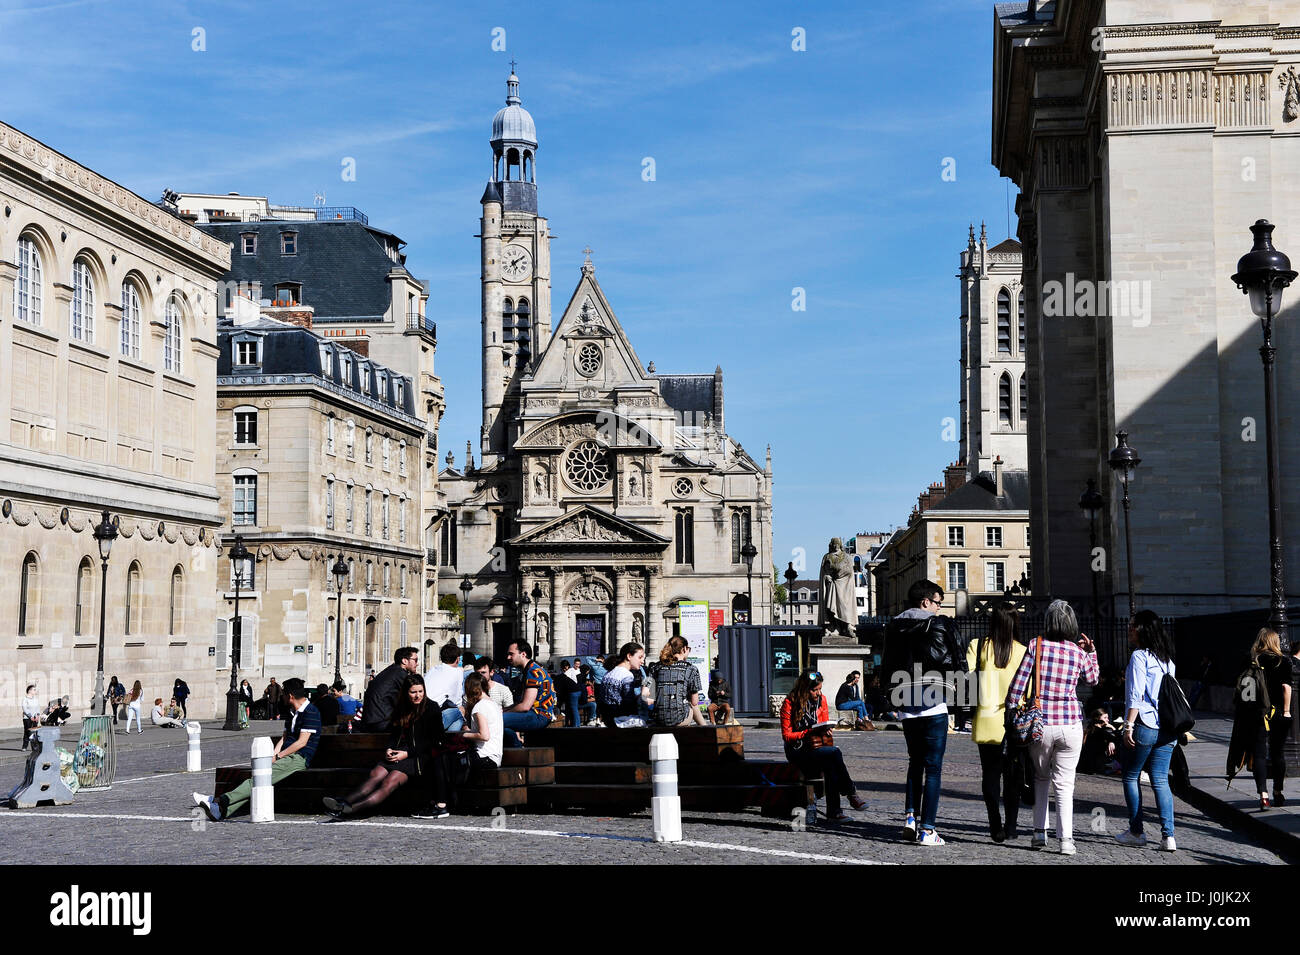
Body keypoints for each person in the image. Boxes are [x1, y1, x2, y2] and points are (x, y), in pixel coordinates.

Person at [1004, 599, 1098, 856]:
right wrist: (1091, 652)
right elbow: (1092, 679)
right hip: (1070, 724)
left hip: (1040, 723)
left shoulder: (1037, 645)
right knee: (1065, 784)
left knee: (1040, 777)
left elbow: (1018, 684)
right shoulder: (1078, 652)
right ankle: (1066, 840)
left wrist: (1011, 710)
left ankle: (1038, 832)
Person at [882, 579, 967, 846]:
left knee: (914, 763)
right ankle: (928, 829)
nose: (939, 608)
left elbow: (887, 664)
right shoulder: (939, 624)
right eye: (938, 603)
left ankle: (910, 816)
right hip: (934, 700)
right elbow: (953, 660)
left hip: (906, 702)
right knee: (933, 768)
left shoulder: (894, 626)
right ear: (926, 602)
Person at [194, 678, 321, 821]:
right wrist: (272, 756)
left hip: (298, 758)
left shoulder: (310, 712)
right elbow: (284, 738)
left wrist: (278, 756)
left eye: (284, 694)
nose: (282, 697)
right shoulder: (292, 712)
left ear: (290, 696)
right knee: (258, 778)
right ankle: (221, 811)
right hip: (286, 756)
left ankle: (218, 801)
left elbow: (301, 743)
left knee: (259, 779)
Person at [324, 673, 448, 818]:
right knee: (375, 775)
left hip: (417, 756)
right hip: (399, 751)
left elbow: (435, 740)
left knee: (390, 781)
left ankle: (353, 809)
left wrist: (407, 754)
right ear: (406, 692)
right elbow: (394, 734)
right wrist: (389, 748)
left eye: (420, 691)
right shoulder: (401, 707)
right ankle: (343, 803)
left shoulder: (431, 708)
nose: (417, 696)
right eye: (413, 692)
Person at [1115, 610, 1179, 851]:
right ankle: (1168, 836)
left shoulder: (1139, 657)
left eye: (1133, 626)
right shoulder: (1167, 660)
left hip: (1145, 724)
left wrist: (1128, 726)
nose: (1129, 629)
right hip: (1167, 727)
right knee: (1161, 780)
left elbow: (1136, 695)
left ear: (1142, 630)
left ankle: (1136, 831)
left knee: (1131, 776)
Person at [967, 604, 1028, 842]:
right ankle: (1011, 826)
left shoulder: (978, 645)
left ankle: (995, 824)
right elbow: (1030, 689)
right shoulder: (1024, 651)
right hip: (1016, 722)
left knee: (990, 776)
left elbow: (968, 679)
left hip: (986, 720)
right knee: (1013, 778)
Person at [780, 669, 867, 823]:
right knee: (834, 754)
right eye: (814, 690)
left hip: (817, 747)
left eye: (820, 689)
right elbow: (787, 736)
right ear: (804, 689)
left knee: (831, 763)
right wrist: (806, 733)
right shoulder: (790, 703)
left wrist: (827, 730)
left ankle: (835, 812)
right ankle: (849, 794)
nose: (818, 693)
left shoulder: (822, 700)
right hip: (797, 750)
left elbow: (823, 723)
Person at [1232, 628, 1292, 810]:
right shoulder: (1282, 661)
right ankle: (1277, 791)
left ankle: (1263, 795)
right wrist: (1287, 711)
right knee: (1277, 754)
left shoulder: (1250, 660)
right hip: (1277, 713)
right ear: (1275, 641)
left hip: (1255, 714)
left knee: (1258, 755)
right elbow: (1285, 688)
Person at [501, 640, 556, 746]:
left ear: (523, 654)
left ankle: (517, 751)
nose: (508, 657)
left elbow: (525, 706)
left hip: (538, 716)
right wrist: (504, 709)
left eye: (511, 654)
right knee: (501, 724)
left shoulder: (532, 672)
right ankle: (517, 750)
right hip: (536, 714)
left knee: (496, 720)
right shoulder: (530, 669)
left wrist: (503, 712)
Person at [645, 636, 707, 726]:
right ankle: (705, 728)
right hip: (680, 719)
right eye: (689, 649)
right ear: (684, 649)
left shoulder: (654, 667)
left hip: (658, 718)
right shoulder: (691, 668)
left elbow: (645, 695)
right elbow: (694, 701)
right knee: (691, 704)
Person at [360, 646, 421, 732]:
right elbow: (412, 698)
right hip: (382, 723)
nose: (417, 663)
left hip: (370, 722)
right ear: (404, 661)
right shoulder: (400, 674)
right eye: (415, 660)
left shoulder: (390, 672)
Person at [461, 673, 504, 778]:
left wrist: (463, 734)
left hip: (484, 757)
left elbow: (484, 736)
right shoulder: (493, 704)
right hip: (495, 757)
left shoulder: (479, 707)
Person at [599, 642, 648, 728]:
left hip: (608, 720)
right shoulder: (627, 675)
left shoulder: (609, 673)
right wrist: (642, 696)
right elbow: (628, 704)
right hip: (620, 721)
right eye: (640, 657)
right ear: (629, 656)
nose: (642, 661)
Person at [424, 640, 467, 731]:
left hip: (423, 713)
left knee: (457, 717)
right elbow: (457, 699)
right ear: (458, 659)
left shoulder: (433, 670)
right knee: (459, 713)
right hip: (436, 717)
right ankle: (449, 740)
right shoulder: (458, 672)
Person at [553, 662, 583, 727]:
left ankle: (576, 726)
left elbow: (559, 691)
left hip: (573, 692)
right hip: (578, 691)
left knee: (574, 709)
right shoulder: (569, 673)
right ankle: (573, 724)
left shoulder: (560, 678)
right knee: (573, 708)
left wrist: (559, 702)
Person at [21, 684, 40, 750]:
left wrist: (37, 716)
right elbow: (25, 708)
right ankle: (24, 746)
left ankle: (34, 746)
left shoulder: (36, 699)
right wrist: (30, 716)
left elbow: (38, 708)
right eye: (34, 690)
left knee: (34, 732)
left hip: (35, 718)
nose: (35, 691)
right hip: (27, 718)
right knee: (27, 732)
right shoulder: (25, 699)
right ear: (29, 691)